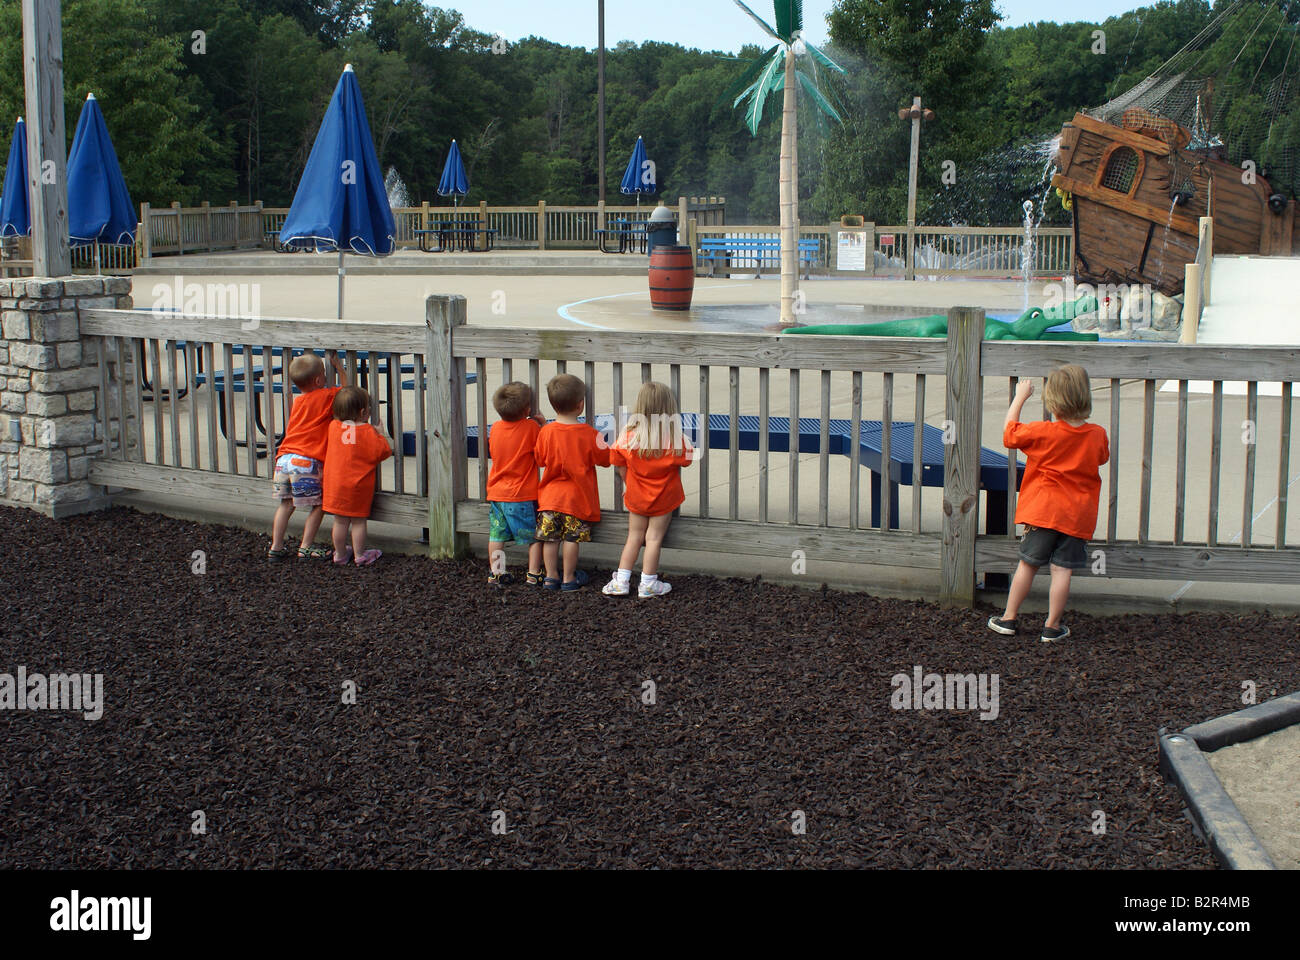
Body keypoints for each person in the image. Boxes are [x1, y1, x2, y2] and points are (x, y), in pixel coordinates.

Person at [988, 365, 1109, 642]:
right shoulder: (1097, 434)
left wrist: (1020, 397)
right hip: (1076, 515)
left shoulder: (1043, 432)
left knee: (1027, 565)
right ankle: (1052, 627)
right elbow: (1102, 458)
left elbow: (1010, 434)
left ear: (1052, 401)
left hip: (1043, 512)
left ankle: (1008, 619)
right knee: (1062, 570)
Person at [603, 382, 693, 598]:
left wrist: (629, 482)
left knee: (634, 536)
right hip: (664, 498)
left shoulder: (628, 437)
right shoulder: (673, 440)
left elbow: (616, 460)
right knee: (653, 538)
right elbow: (687, 459)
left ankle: (622, 581)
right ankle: (648, 582)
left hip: (636, 496)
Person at [268, 351, 348, 561]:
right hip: (306, 461)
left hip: (283, 459)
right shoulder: (325, 396)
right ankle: (305, 547)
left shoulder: (298, 402)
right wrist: (340, 369)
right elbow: (347, 393)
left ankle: (275, 547)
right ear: (319, 379)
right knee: (319, 505)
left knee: (286, 505)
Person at [533, 373, 610, 591]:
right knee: (570, 540)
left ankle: (550, 576)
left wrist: (542, 427)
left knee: (549, 540)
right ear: (580, 405)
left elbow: (539, 460)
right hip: (576, 501)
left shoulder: (546, 432)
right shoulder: (589, 433)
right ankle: (568, 578)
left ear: (553, 405)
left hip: (549, 499)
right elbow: (606, 459)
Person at [322, 385, 394, 567]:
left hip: (335, 486)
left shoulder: (333, 427)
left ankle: (339, 554)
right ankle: (360, 555)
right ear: (363, 412)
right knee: (358, 521)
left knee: (339, 521)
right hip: (357, 487)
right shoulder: (366, 431)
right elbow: (383, 452)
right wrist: (380, 434)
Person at [485, 382, 547, 586]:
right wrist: (543, 425)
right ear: (527, 409)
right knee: (533, 537)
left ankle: (497, 572)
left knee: (497, 536)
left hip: (496, 494)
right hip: (521, 495)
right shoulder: (531, 428)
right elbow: (541, 456)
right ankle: (534, 572)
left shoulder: (494, 428)